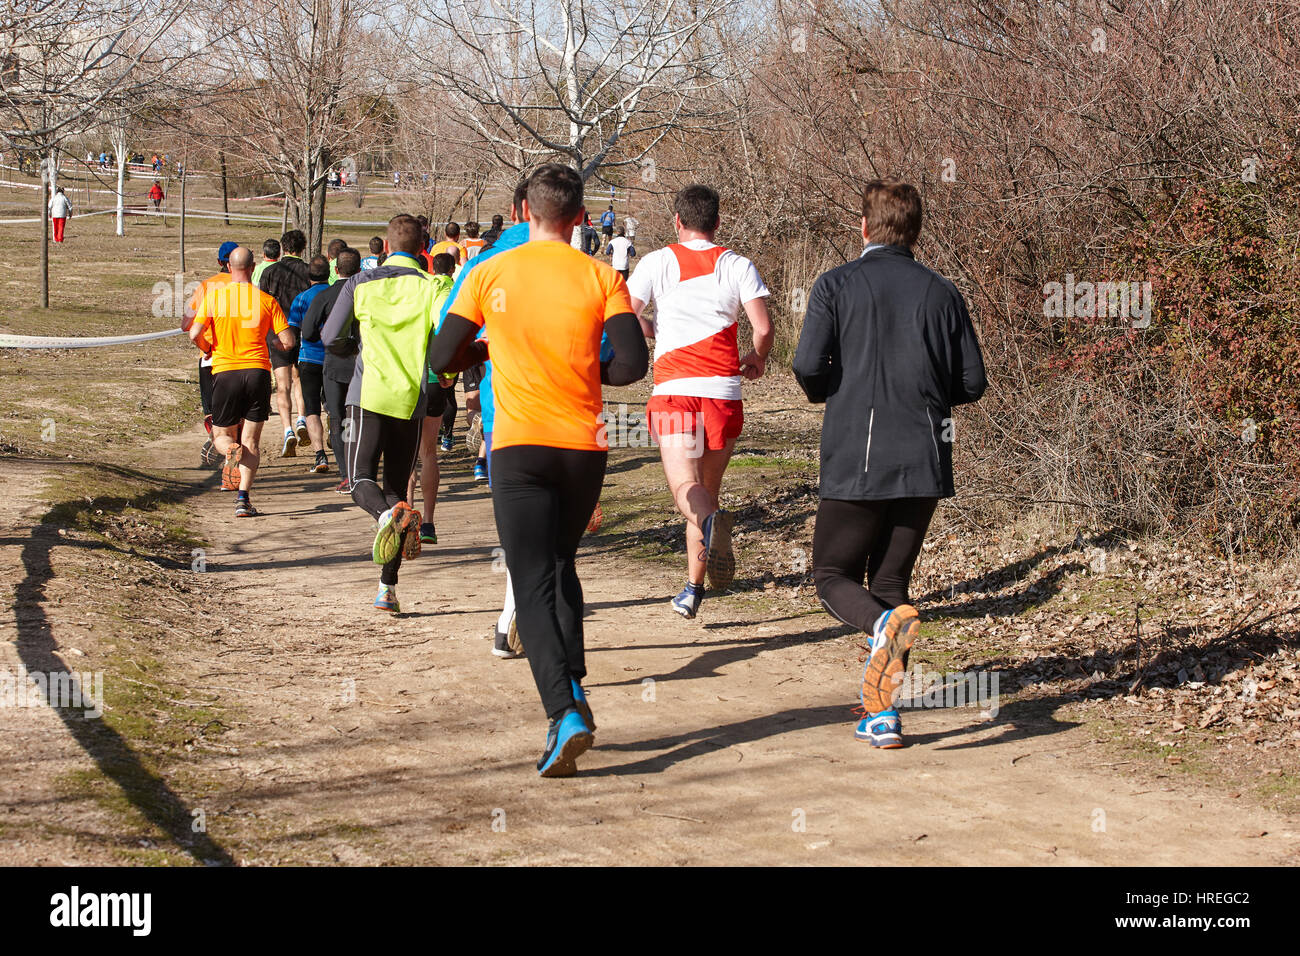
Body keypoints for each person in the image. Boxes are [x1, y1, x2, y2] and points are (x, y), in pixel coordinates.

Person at [432, 163, 649, 778]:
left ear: (524, 210)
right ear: (582, 218)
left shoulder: (488, 271)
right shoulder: (603, 276)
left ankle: (563, 712)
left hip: (520, 445)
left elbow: (440, 357)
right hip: (584, 447)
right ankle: (574, 688)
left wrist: (486, 347)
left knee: (530, 581)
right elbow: (631, 365)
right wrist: (585, 369)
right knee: (560, 565)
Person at [792, 178, 987, 749]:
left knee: (832, 577)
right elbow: (972, 382)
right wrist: (927, 390)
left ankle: (880, 634)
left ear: (864, 227)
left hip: (858, 451)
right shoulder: (944, 293)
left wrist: (837, 388)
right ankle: (882, 714)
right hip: (924, 456)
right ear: (917, 230)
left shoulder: (836, 284)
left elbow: (807, 366)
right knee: (893, 582)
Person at [627, 183, 773, 621]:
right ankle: (691, 589)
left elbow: (626, 313)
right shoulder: (738, 264)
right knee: (707, 491)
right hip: (723, 393)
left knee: (685, 489)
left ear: (677, 221)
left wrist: (653, 330)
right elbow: (763, 329)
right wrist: (758, 358)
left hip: (674, 388)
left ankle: (709, 543)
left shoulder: (656, 262)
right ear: (718, 222)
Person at [322, 215, 445, 614]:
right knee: (398, 491)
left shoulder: (361, 282)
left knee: (361, 481)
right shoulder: (432, 287)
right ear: (422, 248)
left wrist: (350, 350)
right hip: (411, 400)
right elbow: (445, 339)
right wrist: (443, 373)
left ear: (387, 247)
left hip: (368, 395)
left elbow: (329, 336)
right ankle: (386, 588)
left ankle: (386, 516)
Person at [188, 247, 296, 517]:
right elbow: (288, 341)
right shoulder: (266, 300)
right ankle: (242, 499)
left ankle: (230, 450)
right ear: (253, 267)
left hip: (225, 372)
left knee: (221, 436)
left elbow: (193, 333)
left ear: (228, 266)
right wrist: (271, 342)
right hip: (258, 372)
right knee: (252, 442)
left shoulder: (215, 298)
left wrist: (208, 347)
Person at [301, 248, 361, 494]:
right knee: (357, 418)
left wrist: (329, 340)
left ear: (336, 271)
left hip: (335, 363)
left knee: (337, 419)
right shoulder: (367, 294)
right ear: (359, 270)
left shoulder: (325, 295)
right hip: (363, 364)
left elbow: (307, 332)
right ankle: (360, 473)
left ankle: (347, 475)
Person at [406, 252, 457, 543]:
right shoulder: (441, 293)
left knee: (406, 456)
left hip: (409, 380)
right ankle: (428, 523)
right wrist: (447, 369)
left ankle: (406, 516)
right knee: (428, 453)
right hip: (435, 377)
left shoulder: (407, 294)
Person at [183, 240, 240, 457]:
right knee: (236, 412)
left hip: (210, 356)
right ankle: (232, 445)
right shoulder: (249, 287)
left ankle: (218, 438)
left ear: (219, 261)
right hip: (240, 357)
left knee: (213, 410)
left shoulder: (206, 286)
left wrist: (206, 345)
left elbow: (186, 324)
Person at [259, 229, 312, 456]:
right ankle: (301, 419)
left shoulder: (270, 272)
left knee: (282, 385)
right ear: (303, 247)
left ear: (283, 247)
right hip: (303, 332)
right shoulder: (309, 271)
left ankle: (287, 430)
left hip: (277, 333)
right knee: (299, 379)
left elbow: (260, 303)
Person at [288, 256, 334, 474]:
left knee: (312, 408)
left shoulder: (301, 298)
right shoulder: (338, 296)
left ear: (308, 276)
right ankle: (335, 434)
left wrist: (293, 360)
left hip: (309, 358)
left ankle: (320, 454)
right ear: (329, 274)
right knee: (336, 405)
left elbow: (294, 332)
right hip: (336, 358)